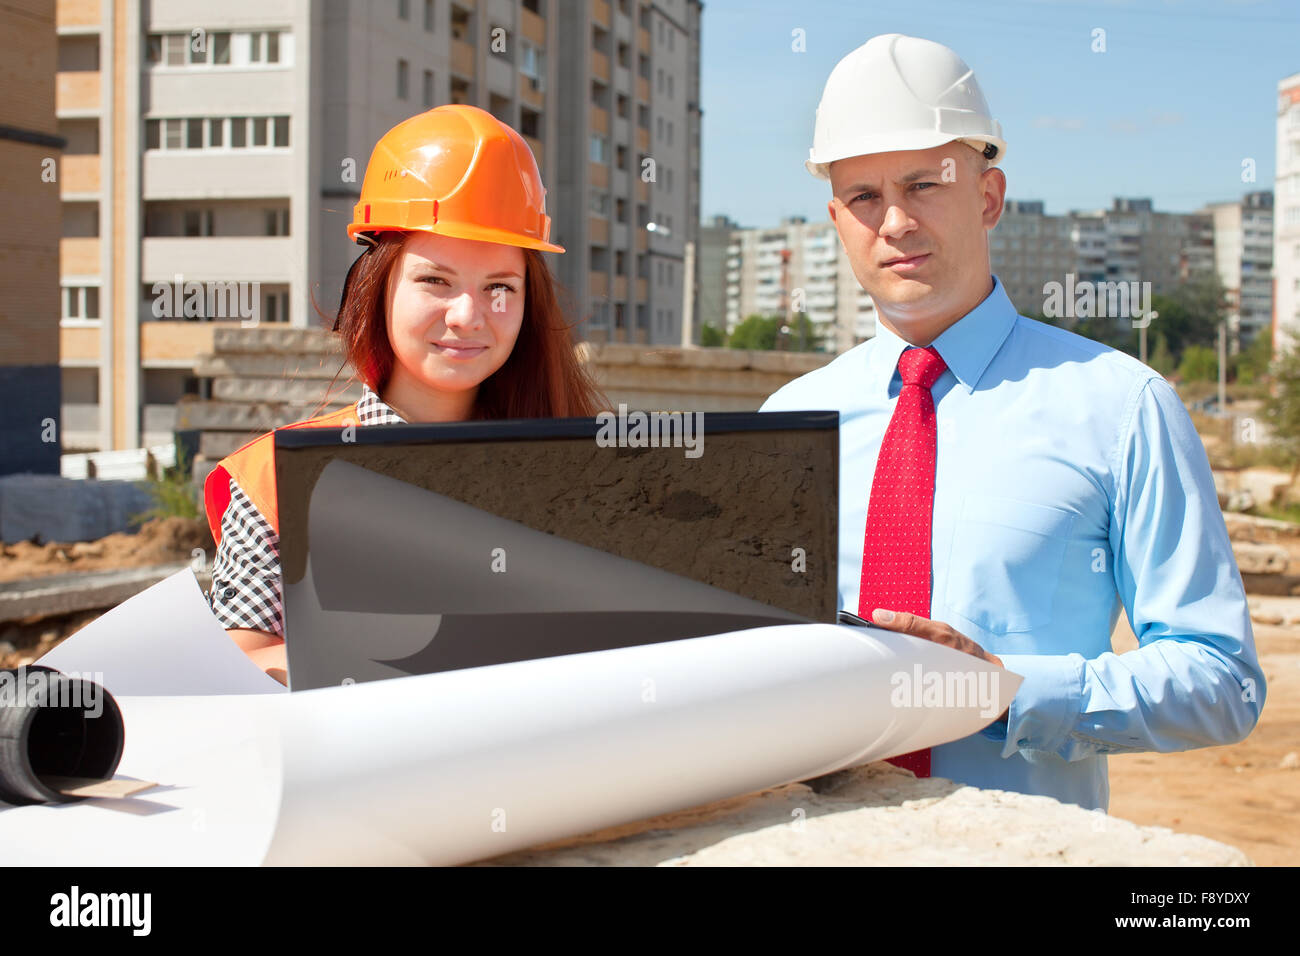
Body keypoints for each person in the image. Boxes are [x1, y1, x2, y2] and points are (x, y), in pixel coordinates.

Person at [761, 34, 1265, 811]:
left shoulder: (1120, 407)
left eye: (924, 183)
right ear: (836, 218)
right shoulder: (788, 423)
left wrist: (1006, 691)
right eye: (864, 196)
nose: (893, 221)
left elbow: (1222, 679)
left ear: (990, 197)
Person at [203, 104, 606, 685]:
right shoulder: (275, 476)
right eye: (435, 281)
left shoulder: (576, 469)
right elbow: (241, 661)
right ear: (378, 287)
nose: (468, 315)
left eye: (499, 287)